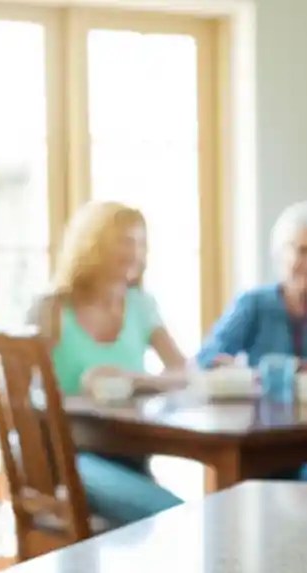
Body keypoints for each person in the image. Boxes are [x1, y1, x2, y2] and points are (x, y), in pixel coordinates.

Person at [30, 201, 185, 526]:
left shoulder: (142, 306)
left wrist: (134, 379)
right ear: (93, 245)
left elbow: (184, 372)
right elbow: (20, 392)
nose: (136, 253)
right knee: (179, 518)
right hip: (70, 457)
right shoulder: (52, 309)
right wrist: (74, 396)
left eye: (141, 243)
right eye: (126, 242)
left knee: (179, 518)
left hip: (129, 458)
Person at [195, 201, 307, 369]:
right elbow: (207, 357)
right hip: (265, 398)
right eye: (303, 251)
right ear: (280, 255)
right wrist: (227, 366)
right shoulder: (253, 303)